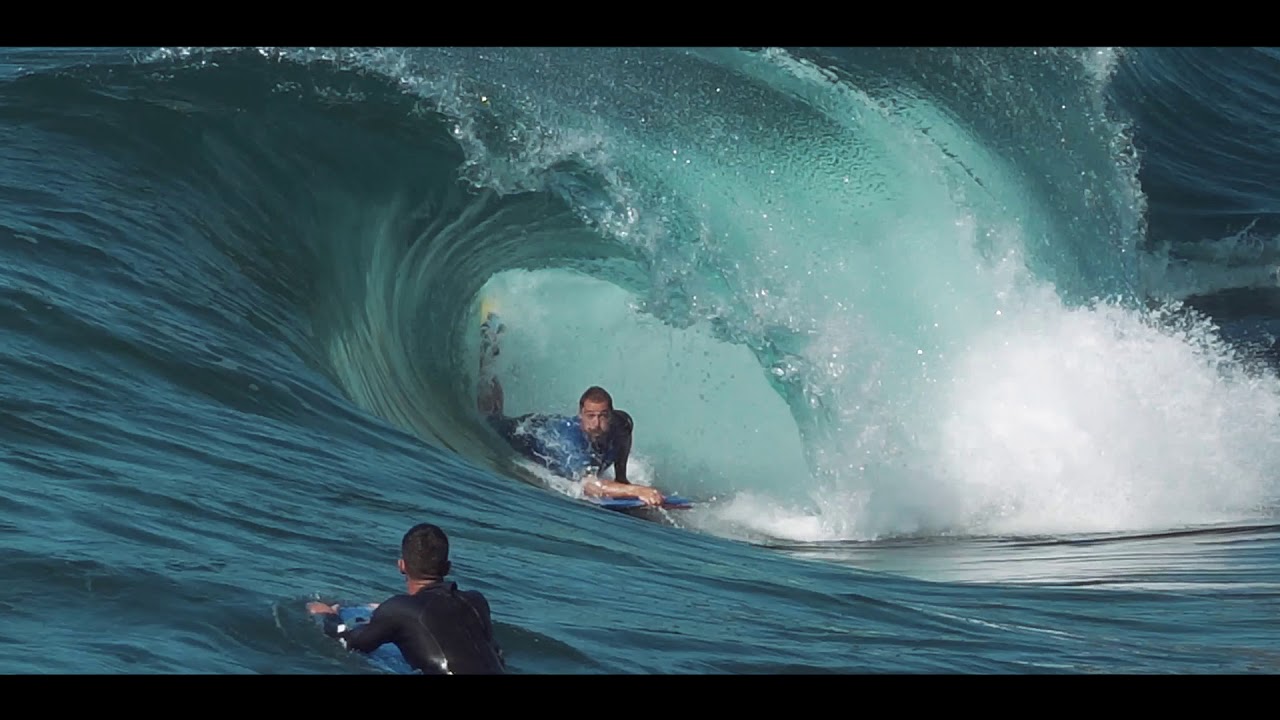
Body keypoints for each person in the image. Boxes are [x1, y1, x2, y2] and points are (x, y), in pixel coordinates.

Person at [475, 311, 664, 506]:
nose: (597, 423)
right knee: (492, 420)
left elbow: (625, 435)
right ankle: (487, 354)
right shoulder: (571, 441)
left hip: (547, 425)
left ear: (611, 414)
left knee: (497, 415)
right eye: (590, 416)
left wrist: (621, 477)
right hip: (529, 432)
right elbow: (590, 486)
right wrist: (637, 490)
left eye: (603, 416)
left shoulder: (621, 423)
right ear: (580, 414)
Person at [306, 523, 505, 675]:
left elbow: (350, 643)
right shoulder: (476, 601)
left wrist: (328, 616)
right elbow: (494, 654)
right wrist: (387, 618)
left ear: (401, 565)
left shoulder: (399, 609)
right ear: (448, 568)